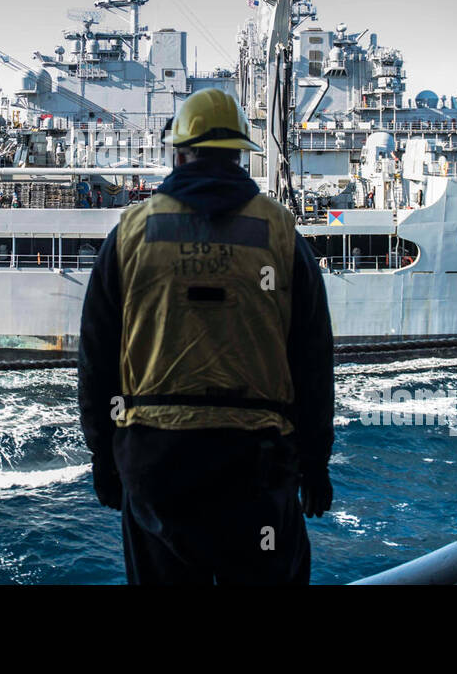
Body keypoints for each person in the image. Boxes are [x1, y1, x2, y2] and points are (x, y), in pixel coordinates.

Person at [78, 87, 334, 585]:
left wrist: (104, 459)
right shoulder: (281, 233)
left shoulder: (131, 231)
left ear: (178, 152)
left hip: (156, 467)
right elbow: (312, 359)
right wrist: (316, 463)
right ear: (240, 154)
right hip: (255, 466)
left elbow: (97, 359)